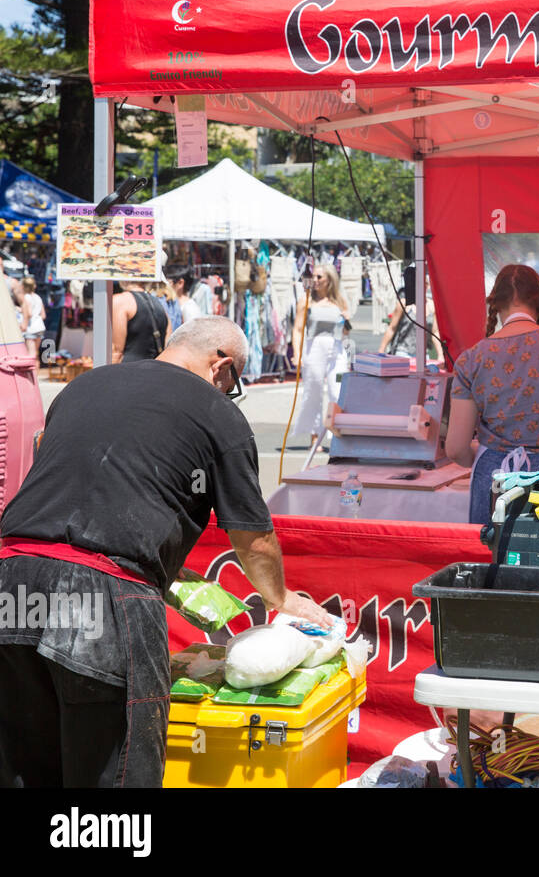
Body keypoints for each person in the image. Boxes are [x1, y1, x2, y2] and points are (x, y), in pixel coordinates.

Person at [0, 316, 332, 787]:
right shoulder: (217, 413)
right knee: (116, 777)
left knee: (26, 765)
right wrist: (281, 600)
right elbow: (253, 539)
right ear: (222, 367)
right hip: (103, 595)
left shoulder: (83, 386)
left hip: (12, 579)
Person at [445, 264, 539, 525]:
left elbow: (456, 448)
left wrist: (486, 457)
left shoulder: (472, 358)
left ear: (496, 304)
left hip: (493, 477)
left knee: (492, 560)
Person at [290, 263, 351, 449]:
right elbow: (298, 329)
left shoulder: (339, 301)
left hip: (336, 348)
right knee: (313, 391)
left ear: (329, 280)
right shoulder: (306, 300)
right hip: (314, 347)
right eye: (313, 277)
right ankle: (314, 436)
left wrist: (347, 319)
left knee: (338, 390)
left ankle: (336, 434)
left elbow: (346, 332)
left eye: (319, 277)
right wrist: (297, 353)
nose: (315, 281)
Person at [112, 279, 172, 363]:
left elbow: (116, 352)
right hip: (155, 370)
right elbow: (167, 345)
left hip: (128, 371)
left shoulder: (120, 301)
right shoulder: (160, 305)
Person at [380, 290, 442, 365]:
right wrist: (381, 350)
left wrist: (440, 355)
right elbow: (392, 328)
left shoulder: (432, 306)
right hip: (402, 352)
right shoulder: (403, 303)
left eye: (425, 283)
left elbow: (435, 332)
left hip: (423, 354)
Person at [18, 276, 44, 360]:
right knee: (35, 354)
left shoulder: (26, 297)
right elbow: (43, 315)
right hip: (40, 327)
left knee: (30, 356)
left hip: (30, 328)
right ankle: (35, 373)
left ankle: (31, 373)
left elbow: (29, 313)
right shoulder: (38, 297)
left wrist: (19, 310)